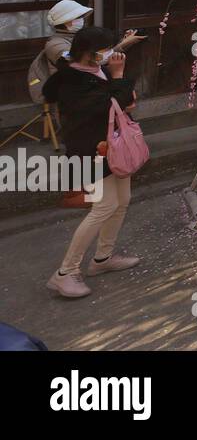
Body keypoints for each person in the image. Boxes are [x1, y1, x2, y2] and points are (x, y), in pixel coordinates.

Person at [43, 26, 143, 299]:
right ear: (89, 53)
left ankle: (102, 258)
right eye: (105, 50)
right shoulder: (71, 81)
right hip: (90, 150)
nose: (110, 55)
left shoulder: (92, 69)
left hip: (114, 146)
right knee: (104, 206)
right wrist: (120, 78)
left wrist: (120, 89)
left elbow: (117, 100)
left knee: (122, 201)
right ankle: (64, 273)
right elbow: (108, 105)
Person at [37, 1, 142, 208]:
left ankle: (83, 187)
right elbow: (82, 62)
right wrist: (118, 56)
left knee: (84, 145)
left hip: (88, 100)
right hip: (77, 100)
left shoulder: (75, 40)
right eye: (77, 18)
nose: (80, 21)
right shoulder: (56, 44)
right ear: (65, 22)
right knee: (78, 144)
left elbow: (93, 59)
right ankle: (76, 190)